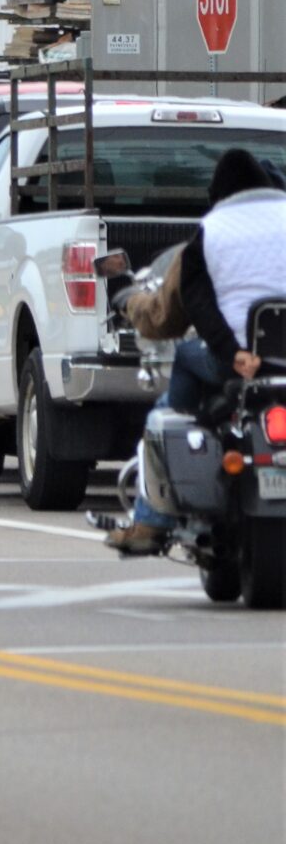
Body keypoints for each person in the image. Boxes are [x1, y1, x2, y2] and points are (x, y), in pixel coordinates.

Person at [108, 147, 286, 553]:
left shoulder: (212, 230)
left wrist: (232, 352)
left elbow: (193, 303)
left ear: (219, 193)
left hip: (242, 365)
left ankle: (153, 519)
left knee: (173, 394)